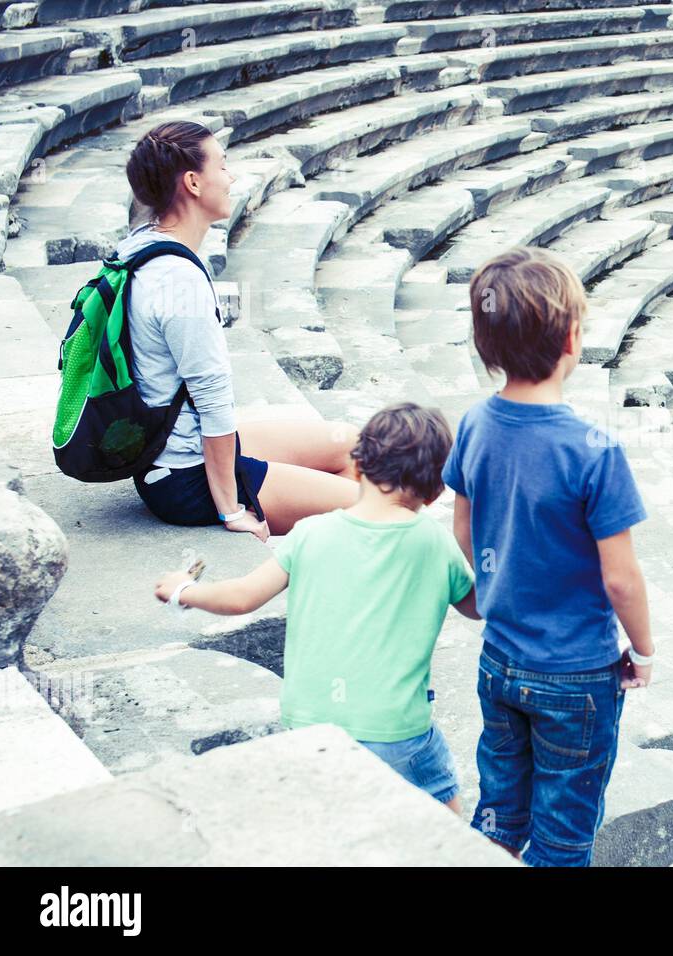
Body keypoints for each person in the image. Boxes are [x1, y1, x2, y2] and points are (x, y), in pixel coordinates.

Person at [154, 403, 479, 810]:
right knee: (445, 817)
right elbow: (478, 607)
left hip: (308, 726)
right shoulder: (434, 542)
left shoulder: (311, 534)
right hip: (396, 731)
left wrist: (185, 590)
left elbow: (241, 598)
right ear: (436, 491)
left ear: (357, 467)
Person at [443, 245, 656, 866]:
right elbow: (621, 579)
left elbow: (462, 528)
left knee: (499, 812)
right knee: (563, 834)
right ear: (571, 338)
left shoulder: (476, 424)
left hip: (500, 660)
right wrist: (643, 651)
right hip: (578, 676)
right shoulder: (594, 450)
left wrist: (479, 598)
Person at [121, 120, 358, 539]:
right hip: (184, 476)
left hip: (167, 452)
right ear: (193, 182)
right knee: (372, 509)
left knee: (353, 448)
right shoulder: (180, 282)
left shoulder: (141, 244)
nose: (231, 179)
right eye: (223, 166)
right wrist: (232, 511)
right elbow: (212, 401)